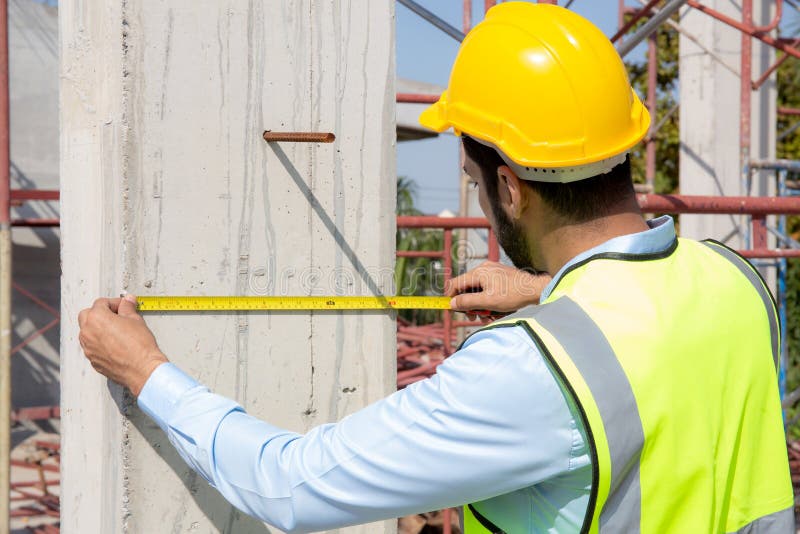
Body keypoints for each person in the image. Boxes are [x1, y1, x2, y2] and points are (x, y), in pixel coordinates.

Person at [78, 3, 793, 533]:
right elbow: (653, 323)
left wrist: (147, 372)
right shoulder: (737, 281)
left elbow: (288, 486)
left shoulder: (525, 371)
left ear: (509, 187)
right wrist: (552, 292)